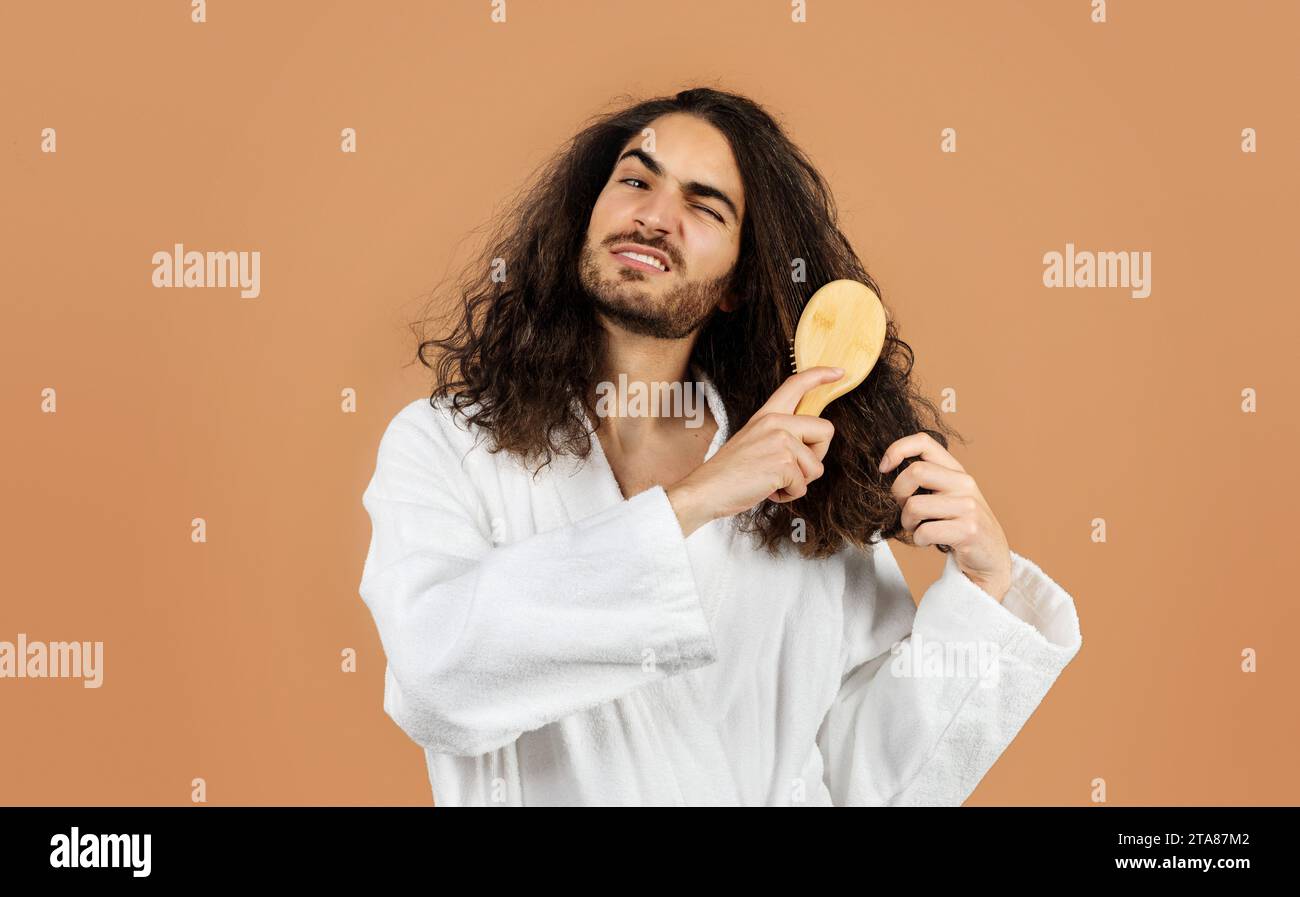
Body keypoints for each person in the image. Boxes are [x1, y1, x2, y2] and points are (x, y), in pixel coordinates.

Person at [358, 87, 1082, 806]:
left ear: (739, 280)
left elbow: (869, 780)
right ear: (587, 215)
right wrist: (698, 499)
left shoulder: (803, 485)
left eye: (705, 207)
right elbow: (435, 677)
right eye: (635, 180)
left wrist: (986, 586)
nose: (654, 216)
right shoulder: (448, 445)